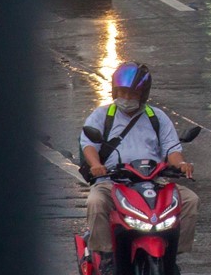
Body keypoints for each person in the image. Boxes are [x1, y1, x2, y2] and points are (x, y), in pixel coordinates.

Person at [80, 62, 199, 274]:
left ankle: (173, 255)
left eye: (133, 93)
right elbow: (89, 145)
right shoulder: (102, 116)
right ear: (115, 91)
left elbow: (172, 149)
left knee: (190, 200)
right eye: (122, 92)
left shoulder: (157, 117)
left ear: (143, 94)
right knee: (95, 202)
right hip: (113, 181)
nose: (127, 98)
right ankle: (107, 256)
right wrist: (96, 165)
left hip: (154, 181)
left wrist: (181, 164)